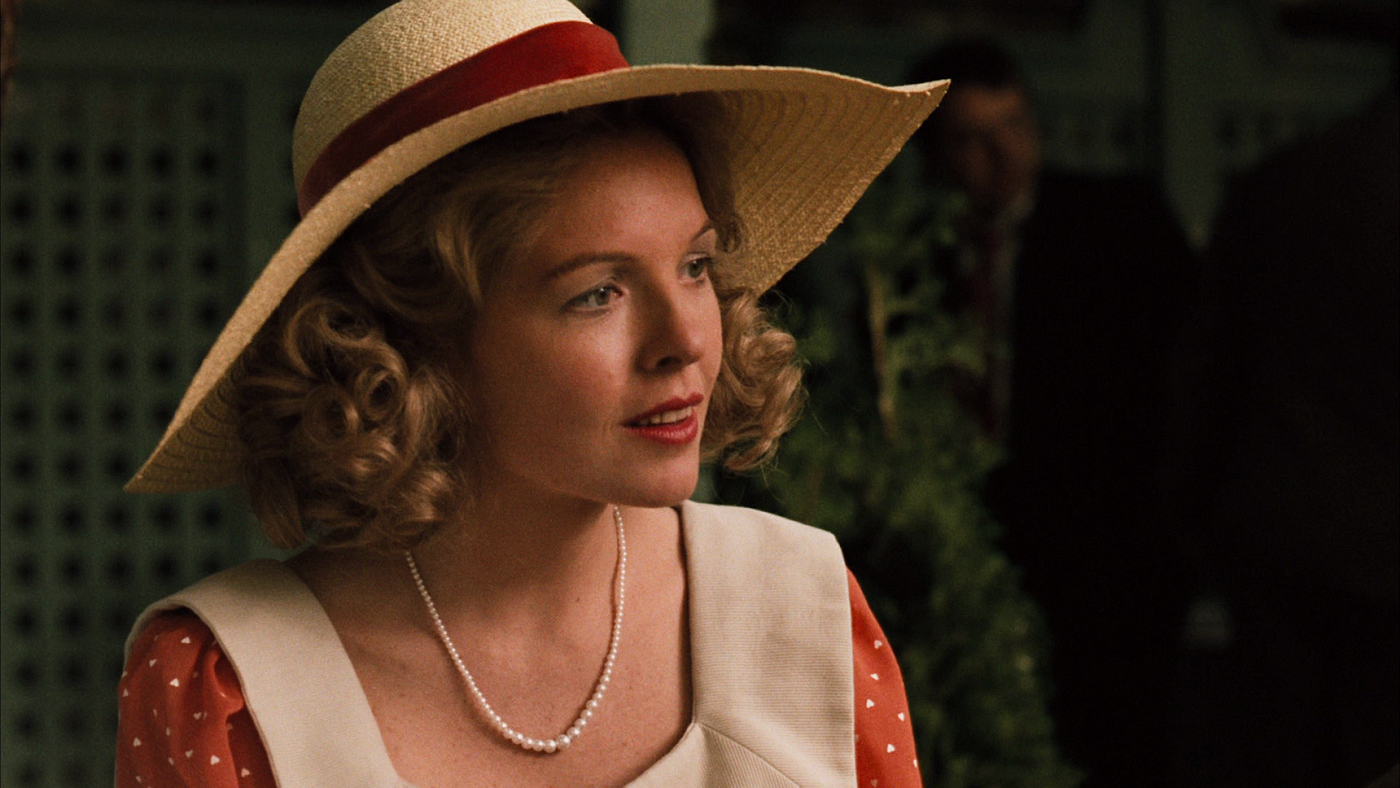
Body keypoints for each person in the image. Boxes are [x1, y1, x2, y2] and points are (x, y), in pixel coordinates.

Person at [111, 0, 946, 785]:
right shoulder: (232, 685)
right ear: (409, 340)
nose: (686, 341)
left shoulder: (803, 614)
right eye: (597, 293)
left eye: (695, 266)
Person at [906, 38, 1197, 788]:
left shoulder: (1117, 222)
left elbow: (1189, 377)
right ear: (935, 155)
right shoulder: (920, 255)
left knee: (1119, 745)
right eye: (972, 139)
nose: (1004, 155)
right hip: (984, 543)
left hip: (1112, 544)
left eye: (1015, 125)